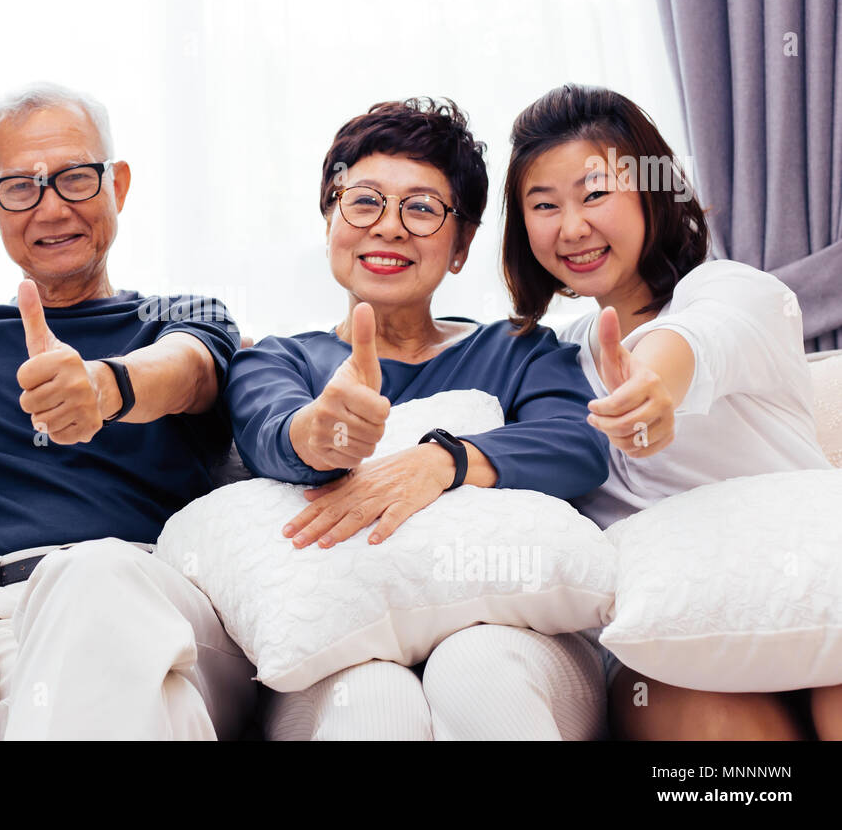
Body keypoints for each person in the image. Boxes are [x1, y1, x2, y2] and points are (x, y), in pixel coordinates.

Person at [226, 97, 611, 740]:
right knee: (372, 702)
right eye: (364, 201)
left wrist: (441, 459)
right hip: (338, 651)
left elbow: (576, 445)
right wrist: (324, 432)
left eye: (423, 209)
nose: (389, 227)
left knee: (478, 668)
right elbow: (272, 432)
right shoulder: (278, 360)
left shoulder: (518, 349)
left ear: (460, 246)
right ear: (330, 220)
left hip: (514, 639)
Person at [0, 83, 257, 740]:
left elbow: (187, 372)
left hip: (158, 607)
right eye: (22, 188)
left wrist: (105, 387)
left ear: (117, 183)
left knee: (95, 577)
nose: (52, 207)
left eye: (75, 178)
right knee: (152, 707)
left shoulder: (184, 318)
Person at [500, 82, 840, 740]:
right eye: (545, 205)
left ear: (652, 193)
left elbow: (697, 340)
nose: (571, 227)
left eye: (595, 194)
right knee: (720, 736)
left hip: (818, 591)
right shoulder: (542, 363)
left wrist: (649, 390)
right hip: (677, 642)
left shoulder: (731, 287)